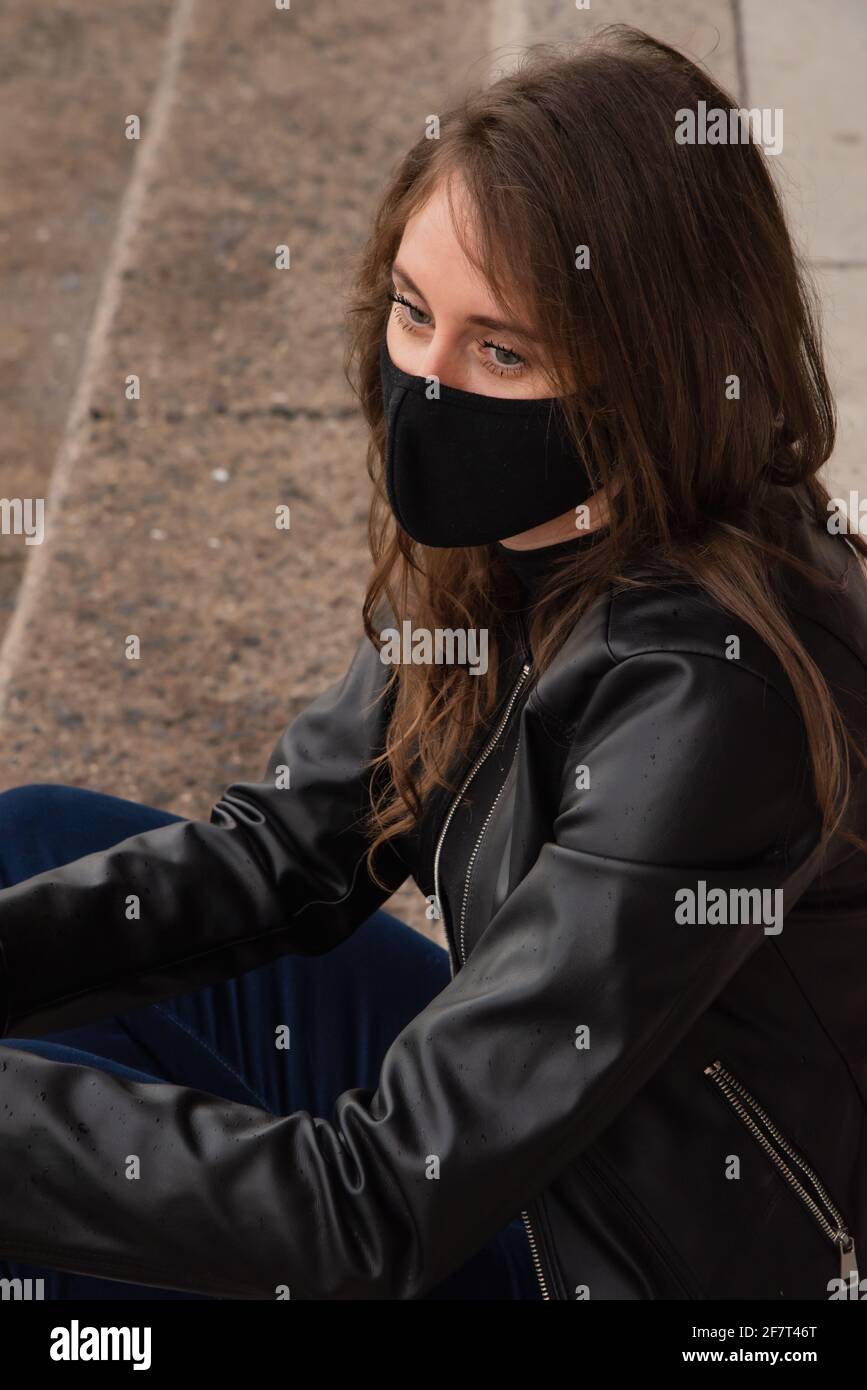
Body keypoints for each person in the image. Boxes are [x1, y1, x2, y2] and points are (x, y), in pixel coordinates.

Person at [0, 27, 865, 1302]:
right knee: (33, 843)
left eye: (502, 351)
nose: (429, 385)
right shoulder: (526, 528)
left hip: (604, 1264)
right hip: (539, 1129)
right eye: (414, 312)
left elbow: (374, 1209)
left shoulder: (707, 700)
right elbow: (286, 853)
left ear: (650, 375)